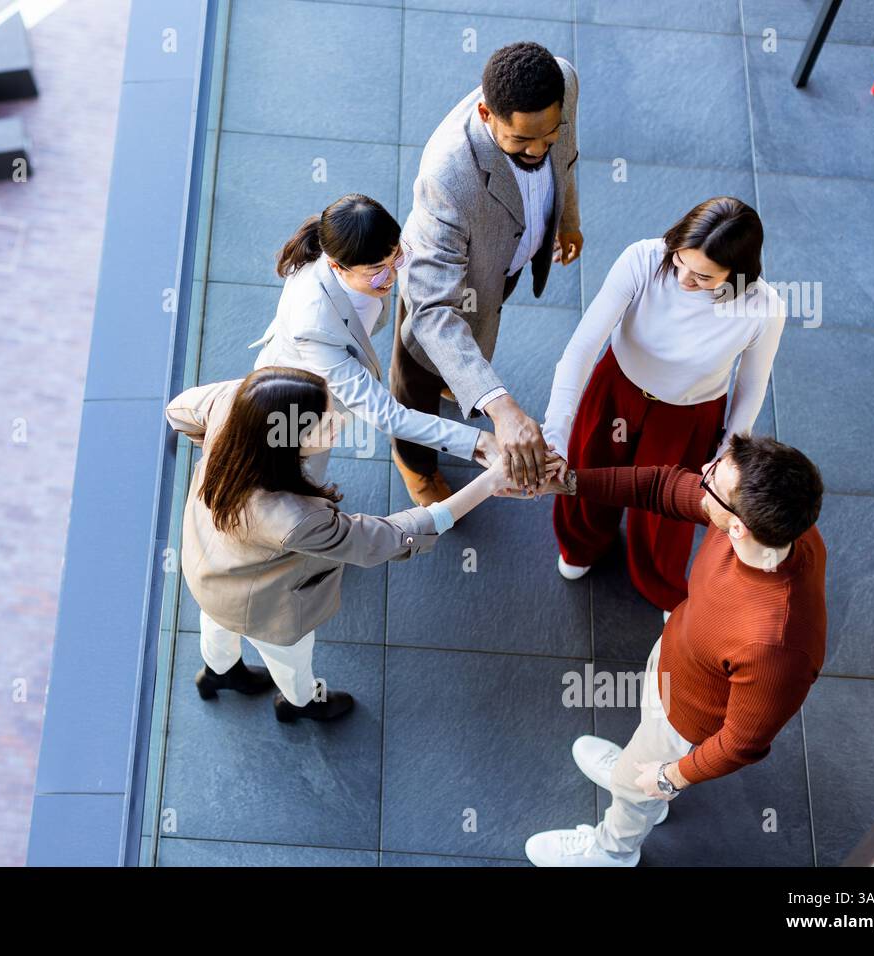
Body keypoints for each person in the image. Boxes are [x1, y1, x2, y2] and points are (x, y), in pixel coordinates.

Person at [519, 435, 826, 866]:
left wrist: (670, 776)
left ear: (737, 527)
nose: (702, 473)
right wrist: (568, 482)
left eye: (713, 477)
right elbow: (659, 488)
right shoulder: (775, 524)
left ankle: (612, 850)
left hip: (685, 723)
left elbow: (742, 743)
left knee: (637, 788)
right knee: (645, 743)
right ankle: (637, 770)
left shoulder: (776, 646)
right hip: (679, 660)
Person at [166, 367, 512, 723]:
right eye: (325, 423)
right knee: (292, 664)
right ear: (285, 439)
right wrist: (488, 484)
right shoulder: (295, 518)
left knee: (215, 627)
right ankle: (300, 703)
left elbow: (178, 410)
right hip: (261, 610)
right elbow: (387, 538)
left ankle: (218, 673)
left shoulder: (232, 408)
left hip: (206, 572)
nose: (340, 424)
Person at [542, 198, 785, 616]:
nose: (684, 279)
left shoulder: (763, 308)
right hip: (618, 389)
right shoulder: (644, 258)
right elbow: (583, 346)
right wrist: (556, 431)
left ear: (737, 273)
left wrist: (727, 454)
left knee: (667, 511)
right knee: (588, 470)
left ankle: (656, 577)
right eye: (681, 263)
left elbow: (751, 386)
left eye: (704, 276)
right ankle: (581, 543)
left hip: (688, 415)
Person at [393, 40, 582, 505]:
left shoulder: (565, 81)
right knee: (418, 375)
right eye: (521, 141)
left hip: (498, 263)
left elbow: (566, 160)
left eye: (548, 134)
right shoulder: (447, 176)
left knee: (474, 333)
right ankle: (414, 462)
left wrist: (568, 221)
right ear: (485, 114)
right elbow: (432, 310)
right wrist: (502, 407)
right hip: (440, 287)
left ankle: (459, 378)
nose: (538, 150)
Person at [251, 194, 499, 480]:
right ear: (336, 266)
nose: (392, 277)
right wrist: (475, 442)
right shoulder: (315, 327)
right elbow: (387, 415)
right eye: (378, 273)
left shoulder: (349, 241)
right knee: (303, 467)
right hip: (296, 404)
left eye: (397, 259)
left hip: (321, 370)